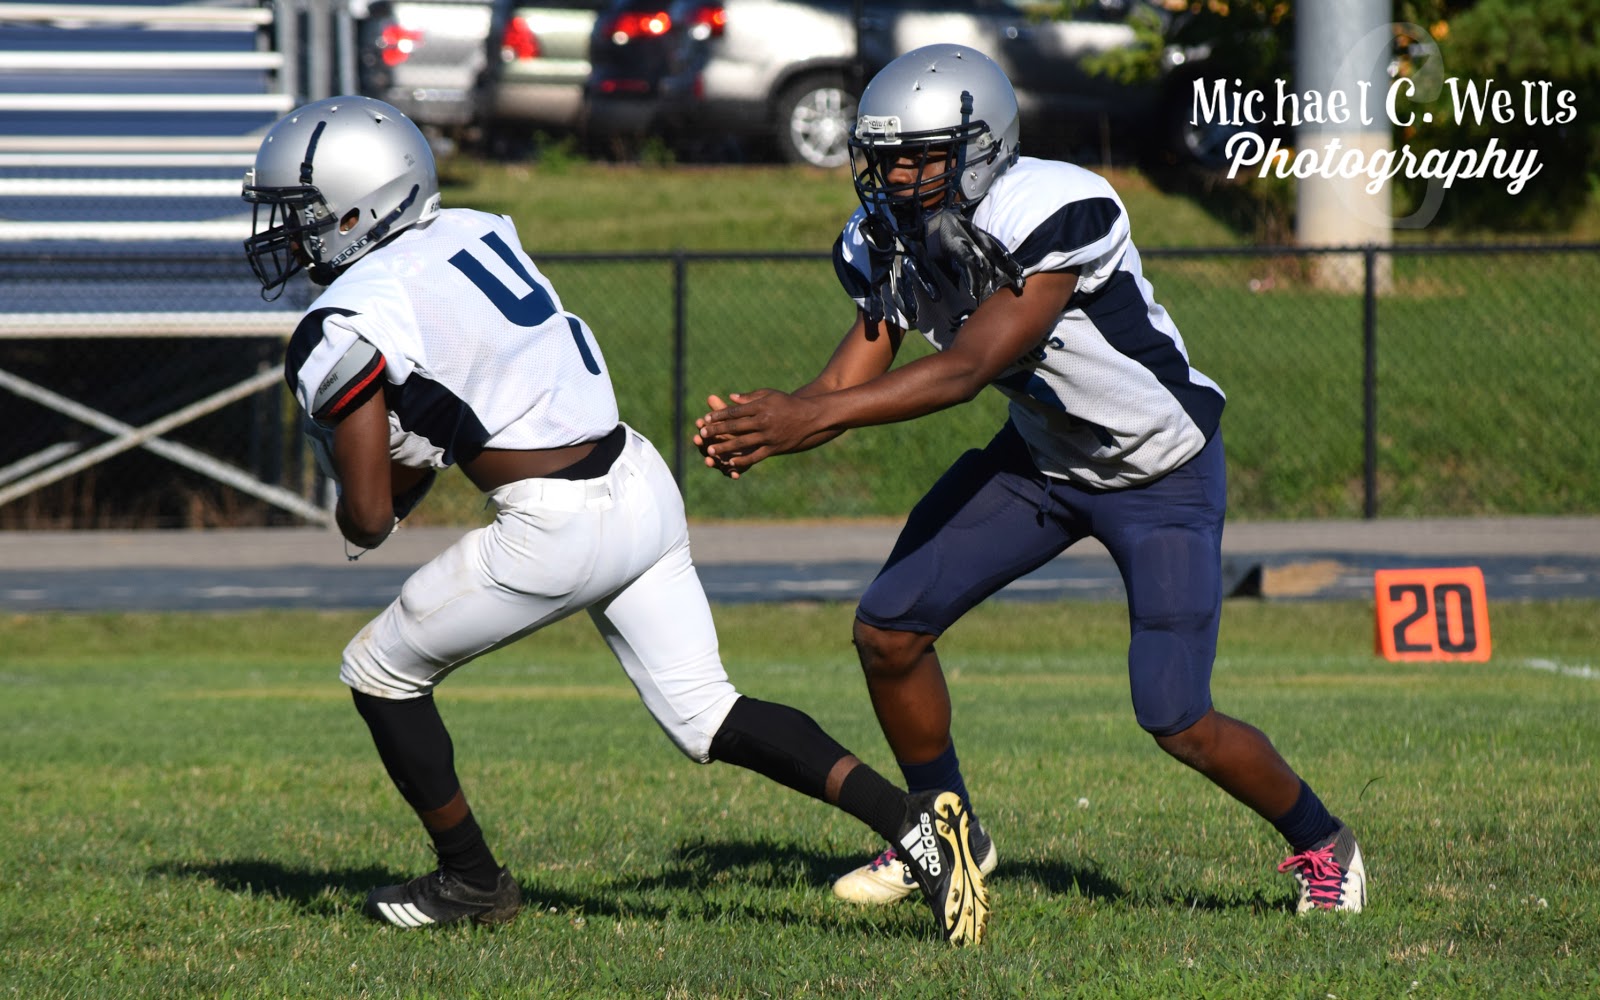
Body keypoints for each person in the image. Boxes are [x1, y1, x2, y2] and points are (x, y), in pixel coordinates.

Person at [239, 95, 989, 944]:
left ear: (355, 207)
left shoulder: (343, 320)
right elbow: (477, 378)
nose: (289, 236)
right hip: (637, 479)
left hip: (554, 526)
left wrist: (366, 481)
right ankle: (917, 824)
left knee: (379, 672)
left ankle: (471, 879)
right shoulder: (475, 230)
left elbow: (371, 517)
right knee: (707, 712)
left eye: (301, 214)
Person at [694, 45, 1367, 915]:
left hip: (1157, 471)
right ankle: (949, 832)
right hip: (1043, 463)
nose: (894, 177)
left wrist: (806, 417)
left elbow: (969, 367)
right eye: (883, 158)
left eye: (917, 157)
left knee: (1176, 717)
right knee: (888, 631)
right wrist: (773, 427)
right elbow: (843, 383)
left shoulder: (1049, 206)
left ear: (981, 147)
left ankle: (1323, 842)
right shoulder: (885, 239)